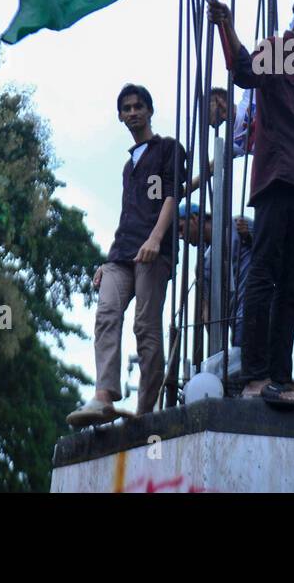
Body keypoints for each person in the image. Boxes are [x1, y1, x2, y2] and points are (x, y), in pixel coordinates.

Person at [207, 0, 294, 408]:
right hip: (278, 178)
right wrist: (226, 27)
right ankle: (255, 375)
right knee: (264, 274)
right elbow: (244, 71)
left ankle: (280, 376)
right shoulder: (282, 48)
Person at [67, 84, 186, 427]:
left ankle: (146, 409)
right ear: (120, 116)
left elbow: (171, 196)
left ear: (150, 110)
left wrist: (156, 238)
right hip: (121, 253)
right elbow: (126, 214)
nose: (132, 112)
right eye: (126, 108)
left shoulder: (168, 149)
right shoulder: (127, 166)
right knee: (106, 312)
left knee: (146, 328)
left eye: (138, 106)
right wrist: (107, 260)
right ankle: (104, 395)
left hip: (153, 251)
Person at [178, 201, 254, 348]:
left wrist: (249, 235)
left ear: (194, 218)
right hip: (237, 324)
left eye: (181, 228)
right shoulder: (202, 264)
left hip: (256, 312)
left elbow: (270, 247)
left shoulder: (237, 226)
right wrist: (217, 348)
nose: (181, 236)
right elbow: (207, 310)